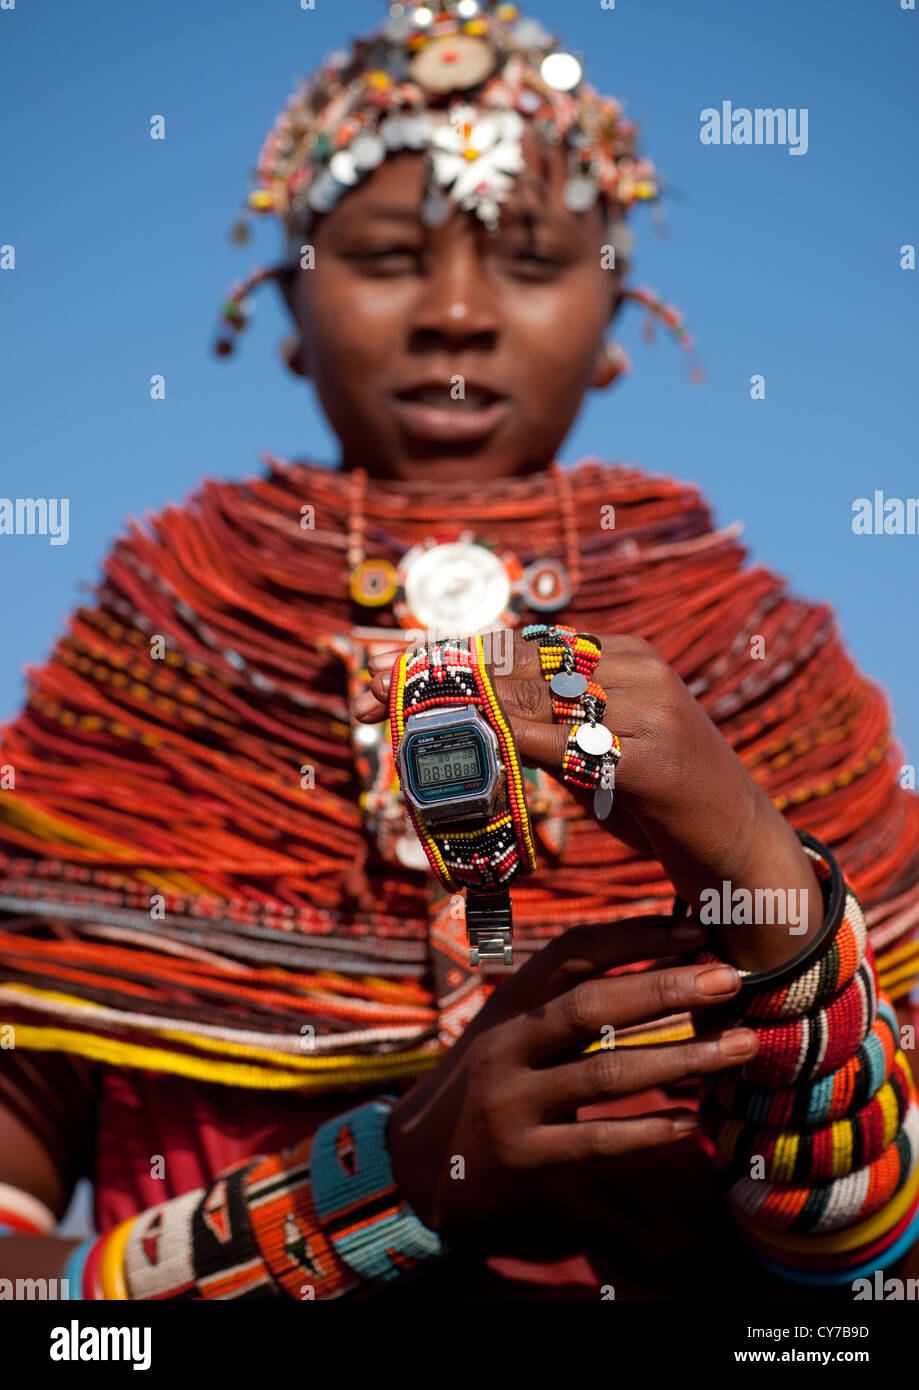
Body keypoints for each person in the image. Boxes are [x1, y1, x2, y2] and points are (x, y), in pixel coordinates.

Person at [1, 0, 918, 1303]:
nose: (453, 313)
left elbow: (885, 1288)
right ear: (286, 305)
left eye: (533, 260)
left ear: (616, 321)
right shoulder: (143, 675)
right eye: (382, 257)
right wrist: (382, 1184)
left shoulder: (764, 666)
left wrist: (768, 877)